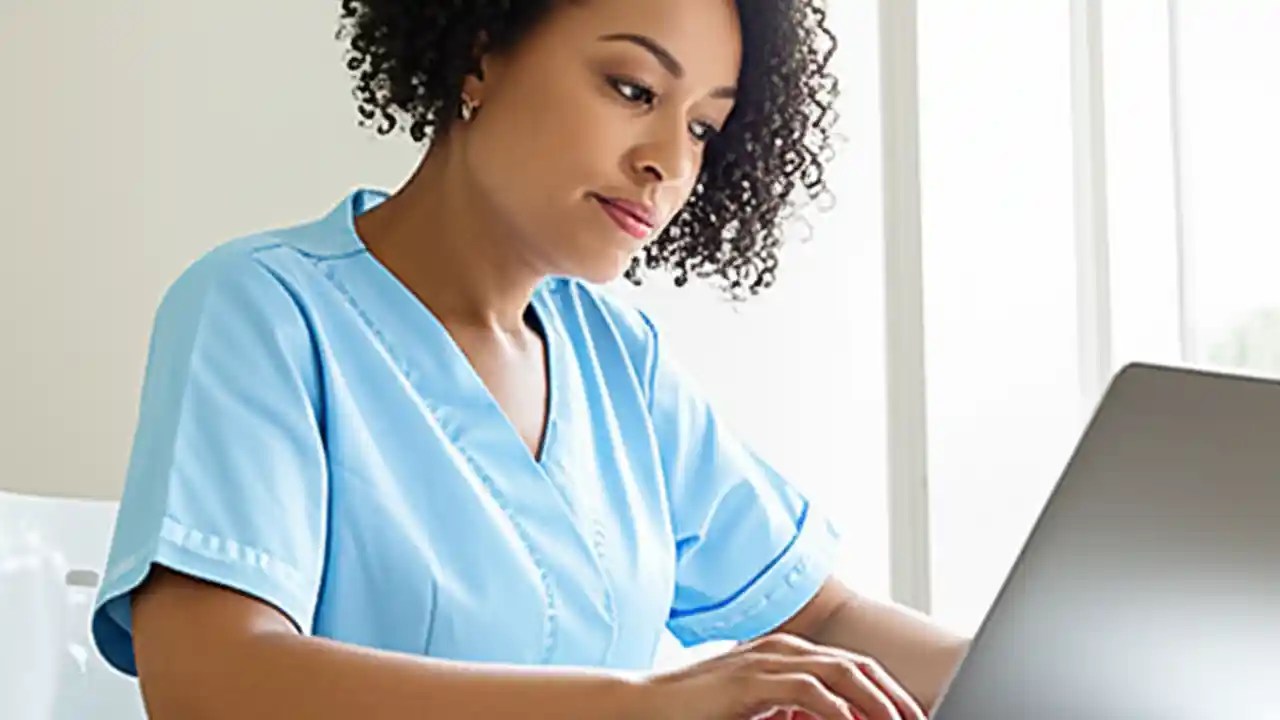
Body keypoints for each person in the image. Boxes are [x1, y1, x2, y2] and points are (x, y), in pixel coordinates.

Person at [91, 0, 970, 718]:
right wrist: (650, 706)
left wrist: (1023, 674)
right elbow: (210, 682)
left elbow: (825, 617)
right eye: (632, 89)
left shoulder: (618, 360)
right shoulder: (266, 309)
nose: (668, 161)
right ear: (481, 53)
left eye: (704, 127)